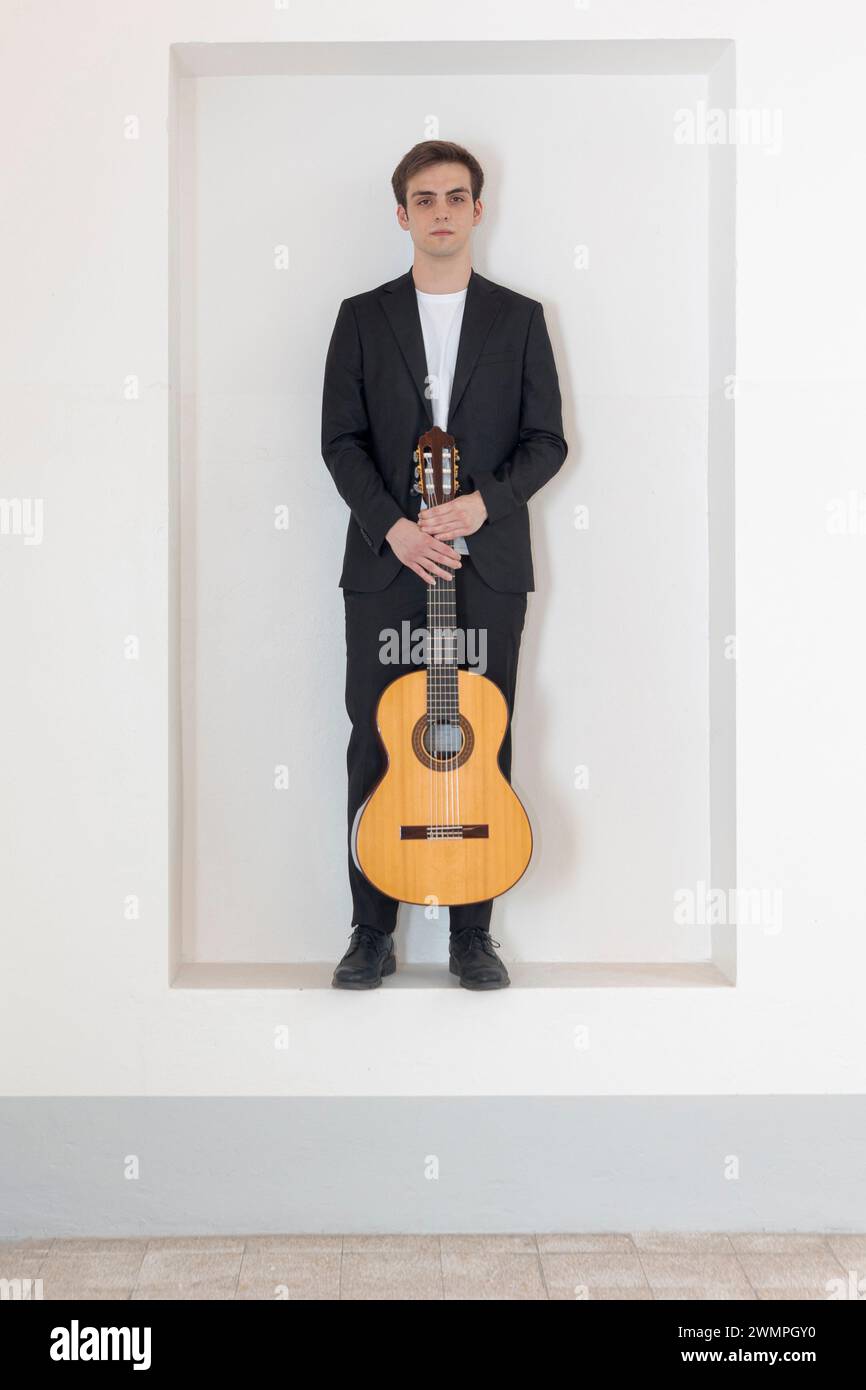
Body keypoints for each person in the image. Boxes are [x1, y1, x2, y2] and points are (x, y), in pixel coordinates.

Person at [321, 139, 567, 990]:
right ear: (402, 214)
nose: (440, 212)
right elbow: (340, 442)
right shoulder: (361, 316)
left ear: (477, 210)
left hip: (487, 569)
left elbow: (548, 441)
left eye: (455, 197)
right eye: (423, 199)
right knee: (377, 743)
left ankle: (473, 934)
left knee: (479, 740)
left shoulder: (521, 317)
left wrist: (483, 504)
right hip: (388, 570)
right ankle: (369, 931)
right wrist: (393, 527)